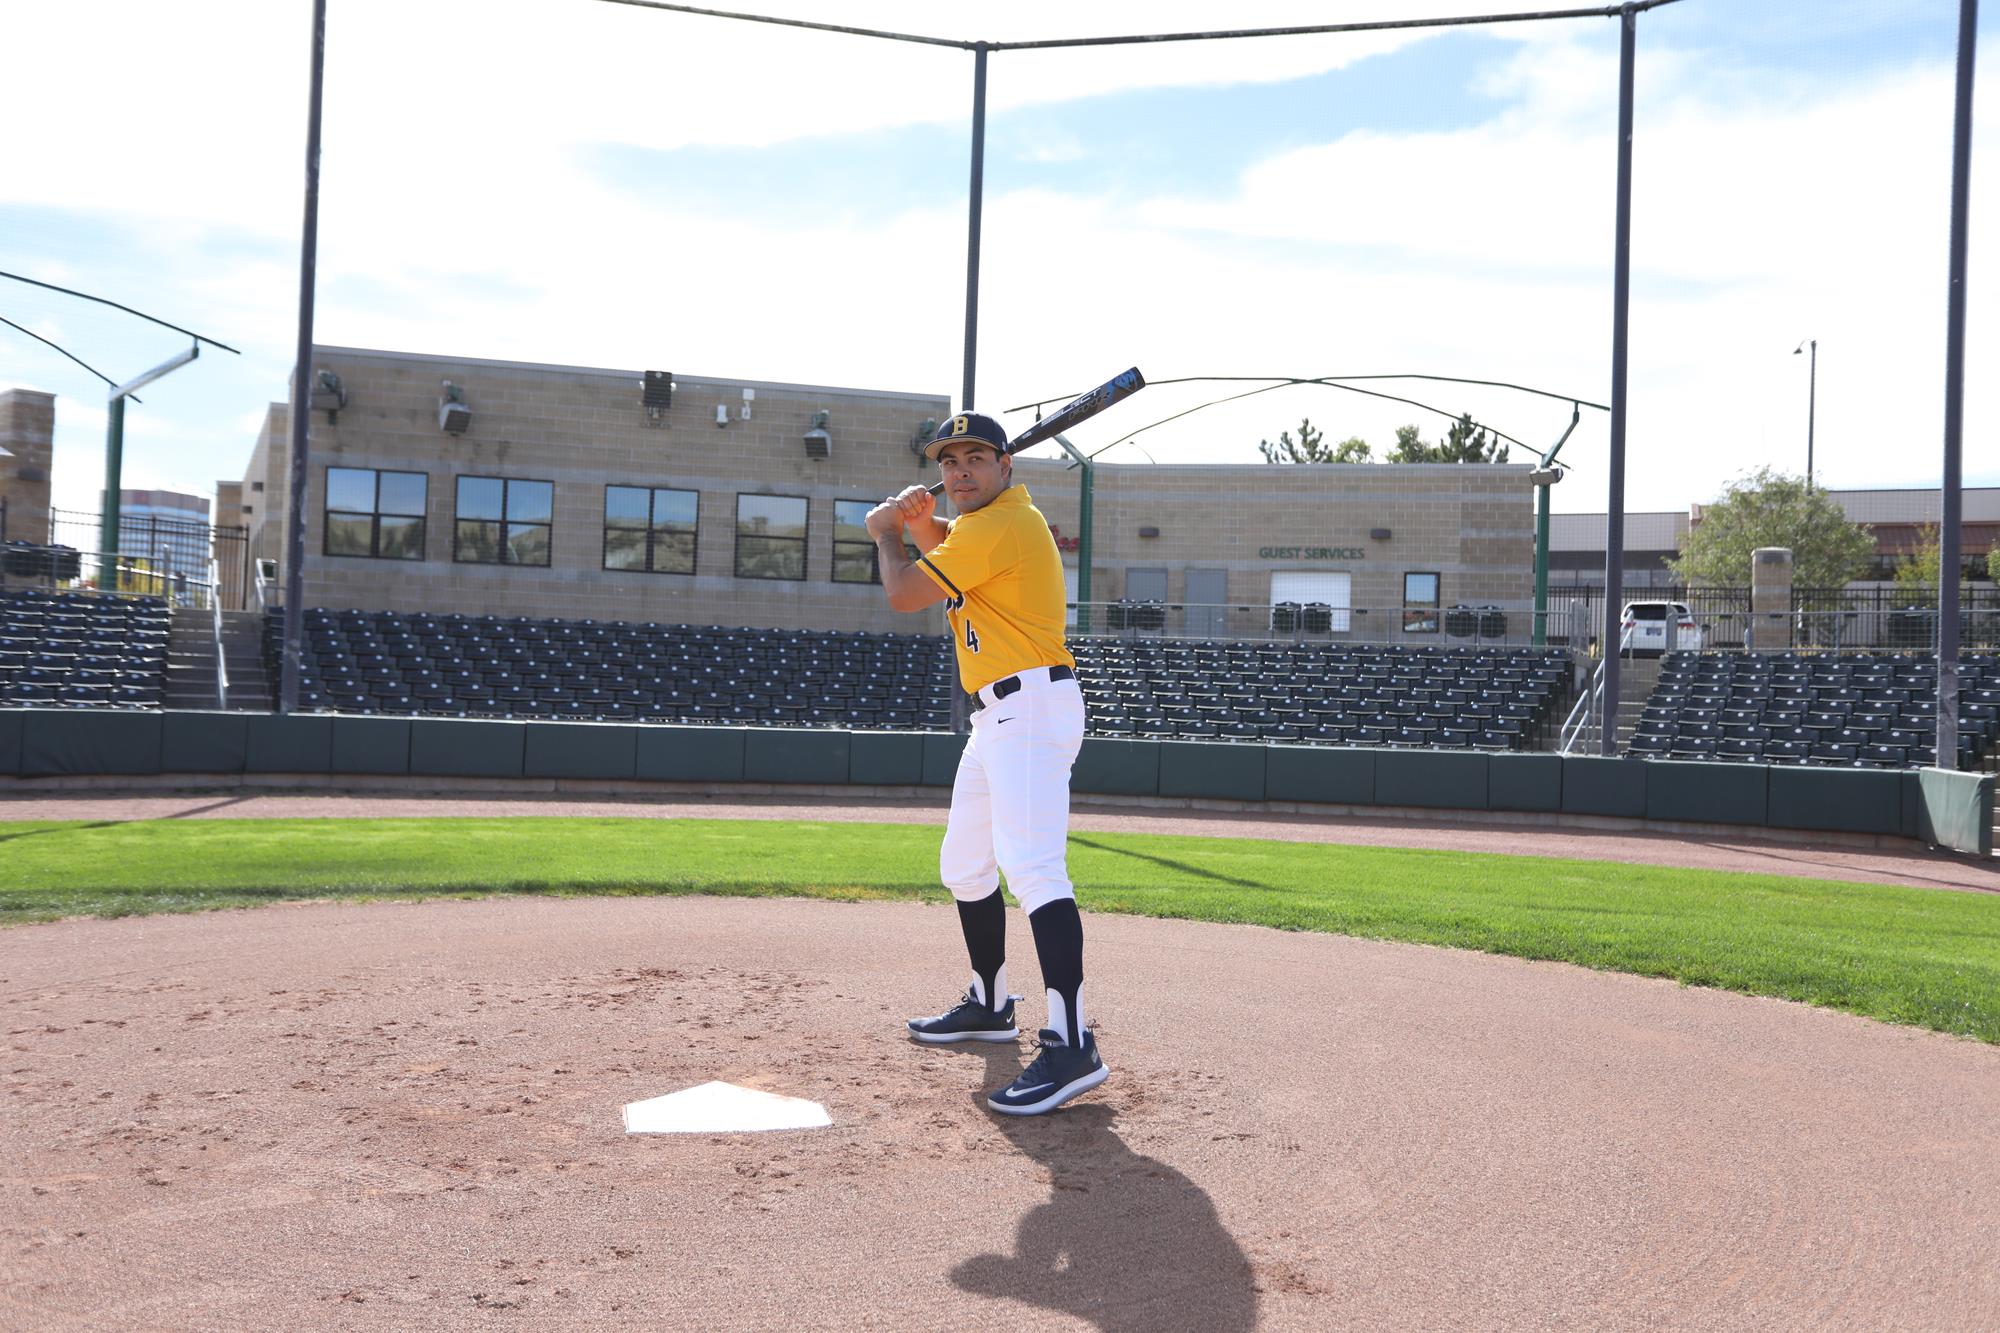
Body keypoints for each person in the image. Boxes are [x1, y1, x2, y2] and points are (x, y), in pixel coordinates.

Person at [863, 411, 1108, 1117]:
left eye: (976, 457)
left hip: (1027, 707)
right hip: (1001, 712)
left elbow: (907, 591)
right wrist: (916, 523)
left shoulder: (1002, 523)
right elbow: (946, 552)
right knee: (965, 863)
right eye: (950, 461)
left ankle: (1071, 1041)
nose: (961, 470)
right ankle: (992, 1002)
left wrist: (886, 532)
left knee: (1032, 868)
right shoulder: (983, 528)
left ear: (1006, 466)